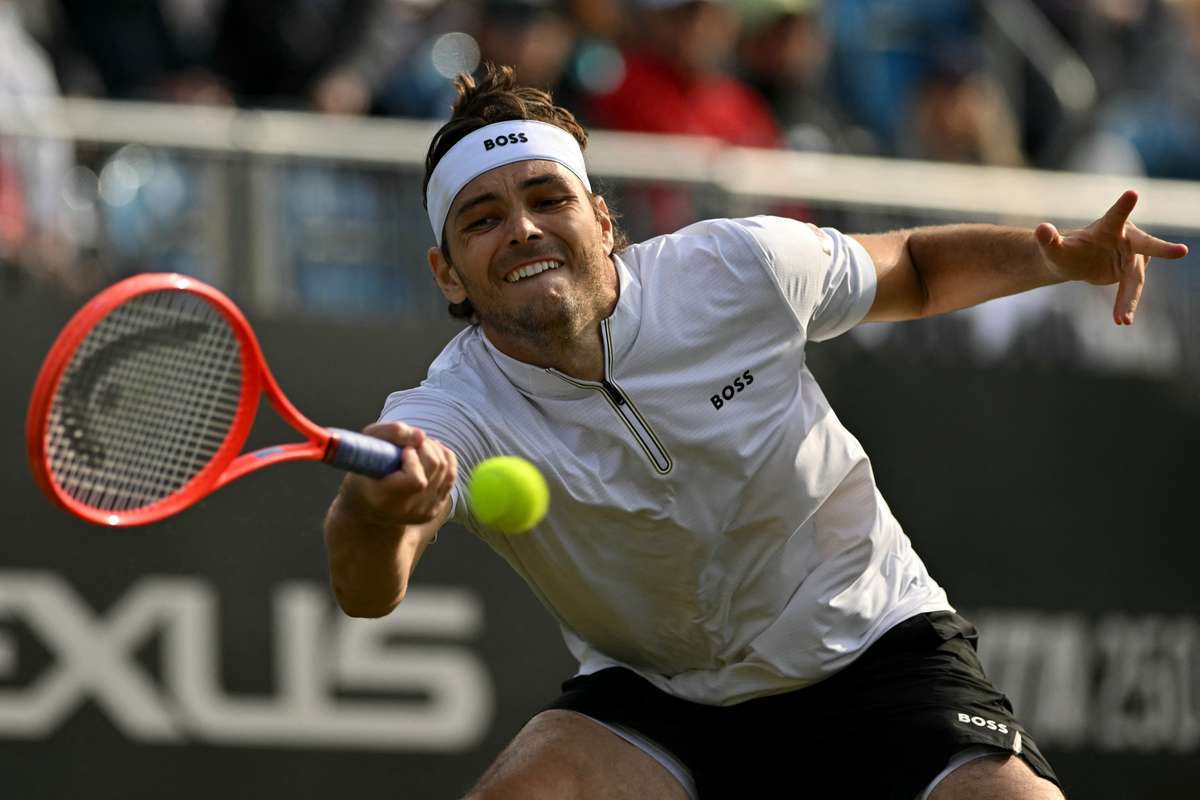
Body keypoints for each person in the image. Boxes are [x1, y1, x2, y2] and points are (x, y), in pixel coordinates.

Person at [321, 64, 1188, 799]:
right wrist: (378, 507)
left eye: (548, 198)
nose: (523, 229)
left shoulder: (741, 267)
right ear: (448, 273)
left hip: (872, 645)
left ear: (603, 221)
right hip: (659, 698)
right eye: (482, 219)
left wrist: (1054, 256)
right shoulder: (447, 412)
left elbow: (914, 268)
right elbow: (368, 590)